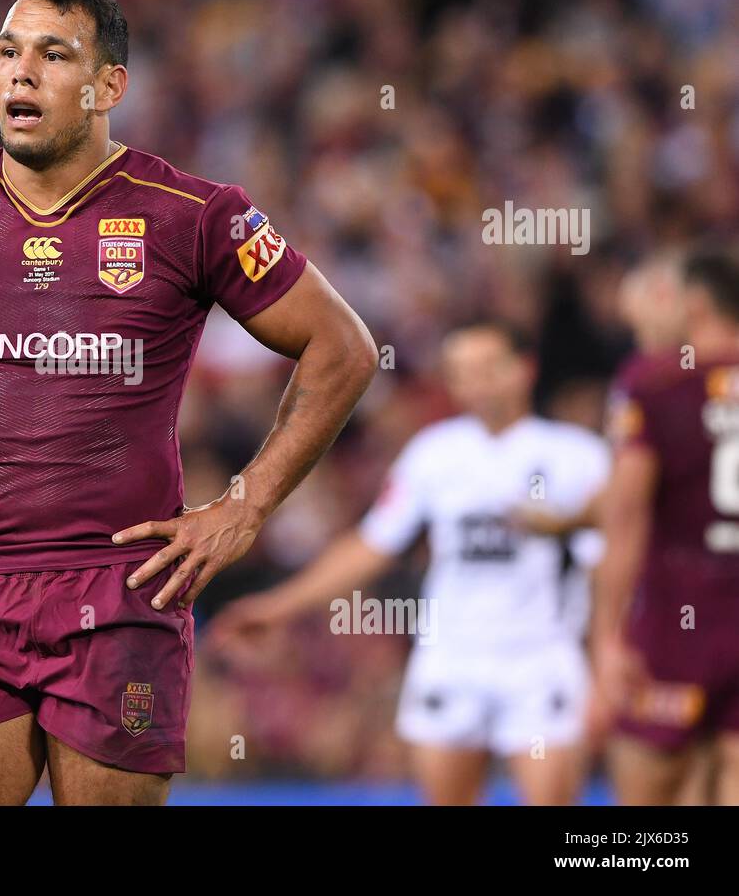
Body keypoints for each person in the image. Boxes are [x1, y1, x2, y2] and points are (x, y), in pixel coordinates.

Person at [0, 0, 377, 805]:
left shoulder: (194, 215)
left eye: (52, 54)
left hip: (122, 594)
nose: (20, 73)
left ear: (108, 85)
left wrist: (246, 505)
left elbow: (344, 347)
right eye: (8, 52)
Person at [213, 321, 610, 805]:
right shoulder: (435, 454)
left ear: (524, 369)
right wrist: (278, 606)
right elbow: (373, 544)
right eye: (462, 372)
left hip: (541, 657)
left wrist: (608, 658)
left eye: (489, 368)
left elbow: (610, 567)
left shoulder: (578, 456)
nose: (475, 383)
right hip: (452, 656)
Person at [592, 250, 739, 804]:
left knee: (649, 812)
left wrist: (607, 639)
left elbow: (624, 518)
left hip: (681, 612)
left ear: (695, 302)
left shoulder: (654, 382)